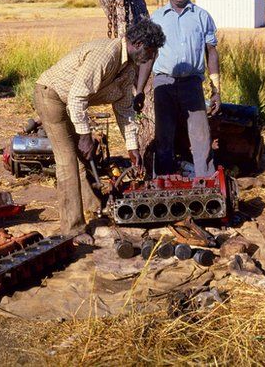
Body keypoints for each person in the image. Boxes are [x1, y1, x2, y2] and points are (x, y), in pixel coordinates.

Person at [34, 19, 166, 243]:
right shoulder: (106, 55)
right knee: (68, 161)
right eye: (150, 52)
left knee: (85, 158)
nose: (151, 58)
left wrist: (132, 148)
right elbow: (77, 96)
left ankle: (95, 208)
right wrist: (84, 135)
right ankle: (72, 229)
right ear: (139, 43)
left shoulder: (128, 67)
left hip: (70, 102)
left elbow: (124, 109)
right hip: (52, 96)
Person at [148, 0, 220, 178]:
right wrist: (141, 88)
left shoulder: (202, 16)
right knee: (164, 134)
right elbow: (149, 54)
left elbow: (211, 51)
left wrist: (216, 89)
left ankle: (205, 182)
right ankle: (164, 182)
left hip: (192, 83)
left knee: (200, 135)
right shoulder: (157, 18)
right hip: (163, 83)